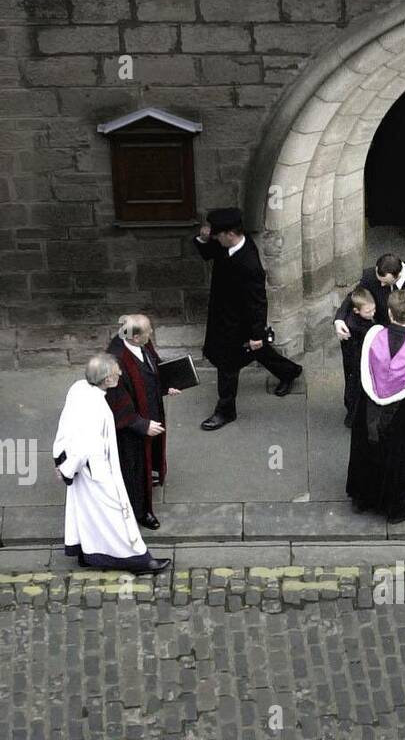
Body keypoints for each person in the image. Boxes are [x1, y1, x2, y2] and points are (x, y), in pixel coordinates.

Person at [52, 354, 170, 573]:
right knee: (117, 514)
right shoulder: (97, 407)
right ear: (106, 379)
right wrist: (67, 469)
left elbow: (66, 428)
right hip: (97, 470)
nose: (120, 374)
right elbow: (84, 444)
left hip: (82, 470)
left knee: (86, 513)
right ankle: (139, 560)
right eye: (116, 372)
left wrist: (62, 462)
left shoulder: (78, 388)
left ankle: (88, 554)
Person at [194, 207, 302, 431]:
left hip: (236, 324)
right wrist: (204, 240)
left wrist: (256, 334)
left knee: (227, 365)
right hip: (224, 315)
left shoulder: (249, 263)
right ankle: (289, 371)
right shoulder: (228, 245)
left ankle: (225, 410)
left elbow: (257, 302)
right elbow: (208, 252)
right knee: (258, 352)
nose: (214, 238)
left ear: (230, 234)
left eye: (217, 235)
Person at [345, 289, 405, 524]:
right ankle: (398, 508)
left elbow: (359, 372)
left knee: (367, 449)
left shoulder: (373, 335)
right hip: (402, 412)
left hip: (369, 406)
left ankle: (364, 498)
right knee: (399, 459)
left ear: (389, 312)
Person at [105, 314, 177, 531]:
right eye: (147, 332)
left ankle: (150, 478)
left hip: (150, 408)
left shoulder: (141, 344)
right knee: (134, 468)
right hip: (132, 426)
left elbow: (154, 366)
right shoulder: (116, 360)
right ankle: (140, 511)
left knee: (148, 458)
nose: (151, 334)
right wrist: (141, 425)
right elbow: (117, 400)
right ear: (134, 336)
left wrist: (167, 385)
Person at [334, 253, 405, 355]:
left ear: (397, 275)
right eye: (379, 280)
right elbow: (354, 295)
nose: (382, 285)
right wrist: (339, 319)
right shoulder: (371, 275)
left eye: (385, 282)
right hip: (384, 340)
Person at [335, 286, 377, 427]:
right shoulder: (355, 326)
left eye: (373, 310)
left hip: (356, 359)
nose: (372, 313)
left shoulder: (358, 319)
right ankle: (353, 416)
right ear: (356, 310)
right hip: (356, 361)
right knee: (355, 388)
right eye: (368, 311)